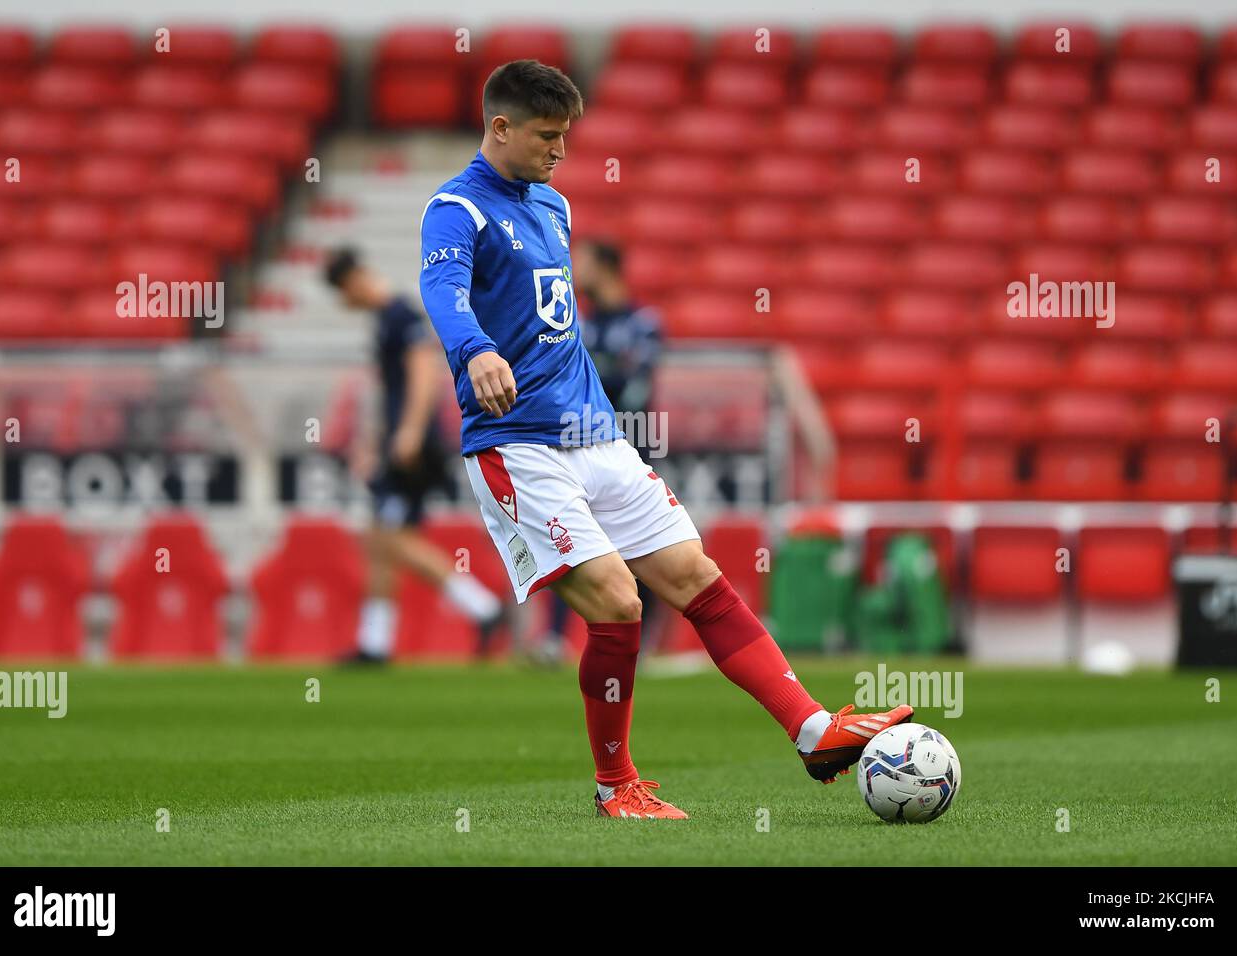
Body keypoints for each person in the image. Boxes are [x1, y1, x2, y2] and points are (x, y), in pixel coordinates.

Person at [418, 59, 912, 819]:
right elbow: (442, 291)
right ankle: (616, 784)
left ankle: (813, 731)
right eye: (547, 137)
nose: (560, 151)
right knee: (618, 602)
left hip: (597, 436)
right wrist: (475, 350)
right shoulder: (456, 208)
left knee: (695, 577)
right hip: (518, 447)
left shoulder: (554, 207)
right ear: (500, 128)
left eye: (567, 138)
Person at [324, 248, 506, 661]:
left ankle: (483, 608)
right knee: (379, 539)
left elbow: (424, 372)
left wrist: (408, 433)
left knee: (390, 538)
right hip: (403, 439)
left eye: (342, 292)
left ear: (353, 282)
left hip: (415, 443)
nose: (344, 303)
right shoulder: (387, 320)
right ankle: (375, 642)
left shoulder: (399, 316)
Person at [532, 239, 664, 665]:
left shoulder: (644, 323)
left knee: (641, 550)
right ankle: (554, 638)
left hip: (629, 446)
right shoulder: (577, 324)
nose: (573, 269)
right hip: (573, 446)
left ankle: (642, 643)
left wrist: (589, 375)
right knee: (569, 538)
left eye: (582, 262)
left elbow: (632, 385)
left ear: (606, 267)